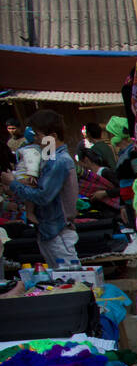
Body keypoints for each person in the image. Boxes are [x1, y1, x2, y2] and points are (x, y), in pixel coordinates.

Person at [1, 109, 80, 267]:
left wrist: (13, 183)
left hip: (58, 231)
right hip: (51, 230)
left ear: (53, 136)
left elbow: (43, 196)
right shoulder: (50, 159)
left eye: (38, 135)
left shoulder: (59, 161)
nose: (36, 139)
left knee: (70, 279)